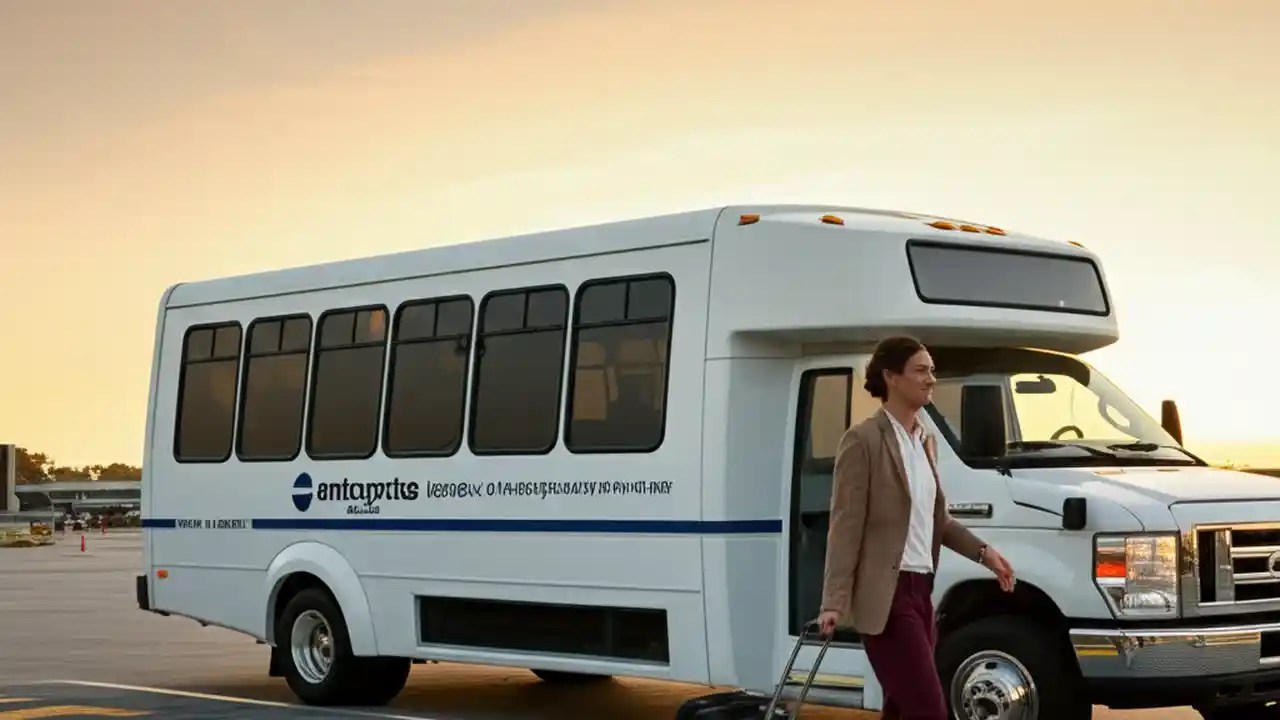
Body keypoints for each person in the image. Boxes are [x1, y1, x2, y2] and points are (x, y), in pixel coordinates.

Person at [816, 336, 1015, 720]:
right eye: (921, 370)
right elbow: (845, 526)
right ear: (891, 376)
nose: (931, 379)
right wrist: (833, 602)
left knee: (901, 708)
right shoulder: (863, 440)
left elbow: (937, 521)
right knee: (928, 710)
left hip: (921, 592)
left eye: (932, 370)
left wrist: (985, 553)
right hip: (886, 599)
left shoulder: (925, 441)